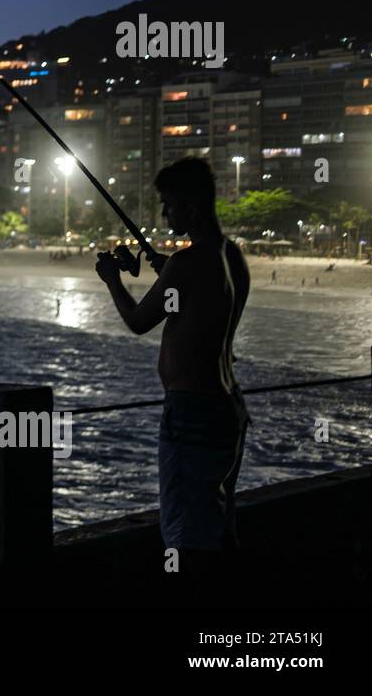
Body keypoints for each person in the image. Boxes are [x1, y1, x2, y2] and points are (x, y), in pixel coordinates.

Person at [94, 158, 250, 588]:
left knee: (184, 533)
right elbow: (197, 297)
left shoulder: (187, 265)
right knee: (219, 523)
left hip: (191, 413)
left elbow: (140, 320)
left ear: (192, 208)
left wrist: (112, 279)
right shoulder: (230, 256)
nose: (165, 215)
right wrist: (165, 266)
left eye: (169, 206)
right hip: (228, 407)